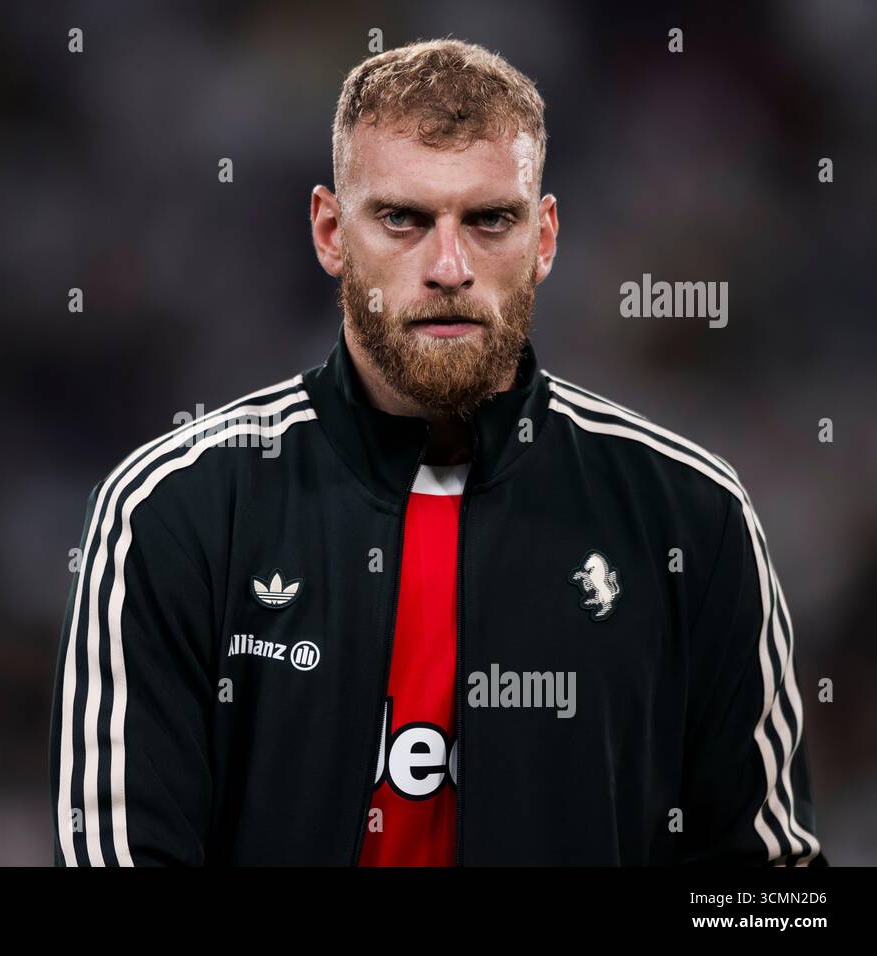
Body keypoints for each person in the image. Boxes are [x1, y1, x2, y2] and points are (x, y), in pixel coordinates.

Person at [49, 38, 824, 866]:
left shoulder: (691, 516)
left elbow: (771, 885)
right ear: (329, 231)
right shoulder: (175, 511)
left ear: (546, 236)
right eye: (402, 219)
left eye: (490, 220)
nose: (448, 266)